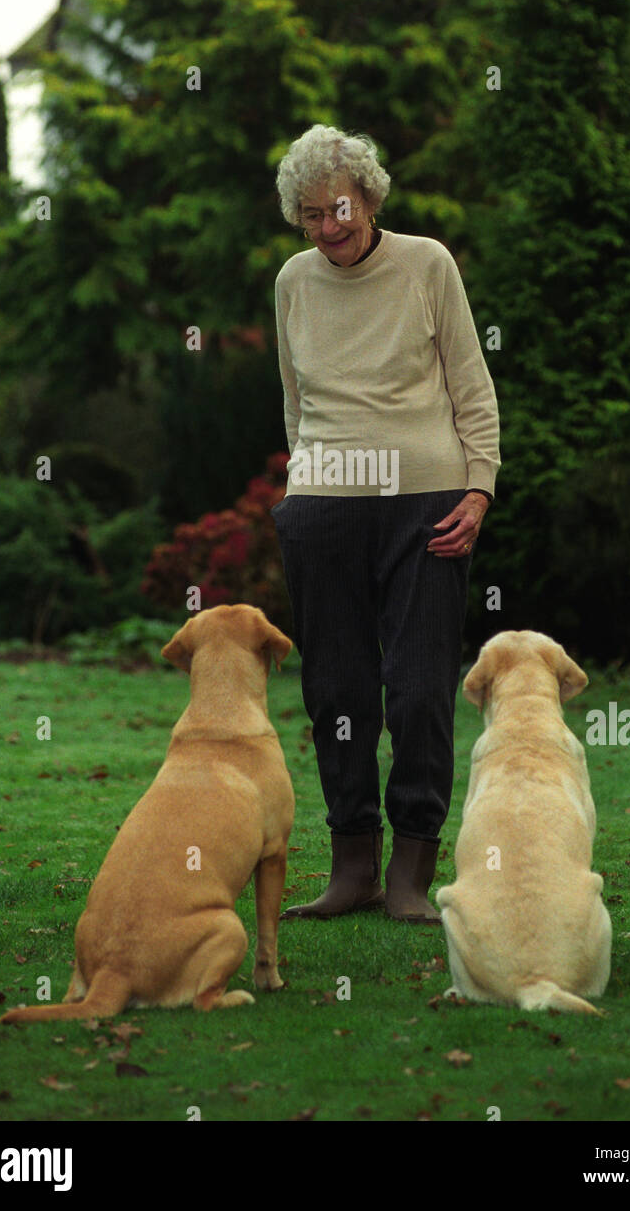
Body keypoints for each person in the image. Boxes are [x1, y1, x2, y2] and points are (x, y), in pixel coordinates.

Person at [270, 123, 500, 922]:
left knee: (417, 690)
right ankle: (351, 867)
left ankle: (409, 872)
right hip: (325, 504)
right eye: (310, 216)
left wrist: (477, 490)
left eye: (338, 208)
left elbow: (470, 385)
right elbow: (295, 403)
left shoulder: (427, 264)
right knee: (335, 689)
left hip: (425, 503)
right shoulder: (293, 281)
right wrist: (304, 489)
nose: (328, 228)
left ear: (366, 196)